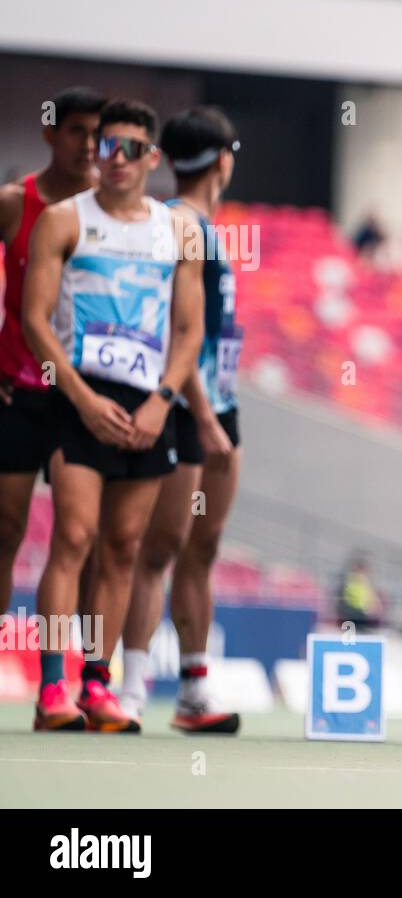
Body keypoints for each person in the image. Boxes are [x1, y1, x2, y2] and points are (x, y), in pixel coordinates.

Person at [23, 99, 204, 732]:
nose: (116, 159)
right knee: (73, 537)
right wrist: (79, 396)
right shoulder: (62, 220)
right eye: (107, 146)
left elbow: (189, 330)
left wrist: (162, 402)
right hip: (79, 397)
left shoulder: (177, 230)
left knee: (123, 549)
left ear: (152, 159)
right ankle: (51, 688)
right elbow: (34, 320)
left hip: (147, 405)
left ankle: (97, 683)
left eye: (131, 149)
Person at [117, 106, 244, 733]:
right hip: (189, 411)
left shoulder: (208, 229)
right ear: (223, 160)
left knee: (205, 547)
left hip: (224, 405)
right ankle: (133, 689)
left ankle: (194, 690)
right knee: (160, 548)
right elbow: (178, 331)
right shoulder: (176, 226)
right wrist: (201, 410)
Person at [0, 86, 104, 618]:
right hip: (18, 391)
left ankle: (82, 681)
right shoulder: (13, 202)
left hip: (86, 398)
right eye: (76, 131)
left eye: (97, 134)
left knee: (83, 543)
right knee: (6, 529)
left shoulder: (112, 211)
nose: (89, 145)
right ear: (49, 133)